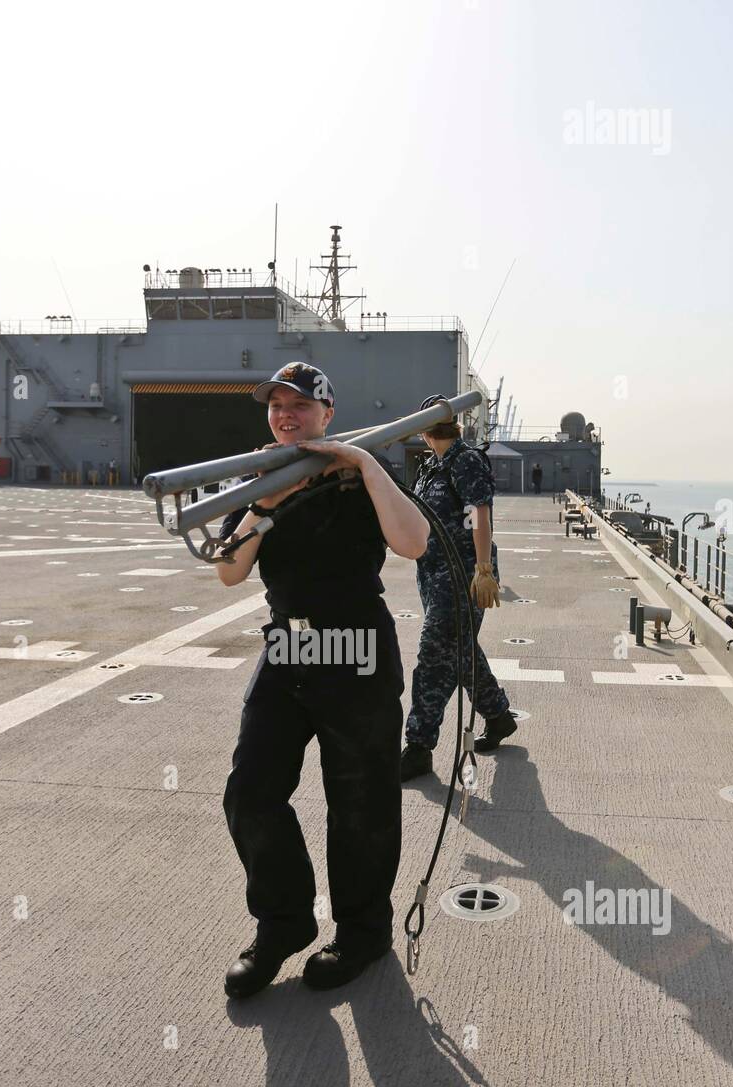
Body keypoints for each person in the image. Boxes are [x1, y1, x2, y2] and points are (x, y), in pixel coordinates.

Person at [215, 362, 429, 999]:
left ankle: (363, 932)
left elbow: (413, 543)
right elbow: (228, 573)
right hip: (289, 645)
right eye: (276, 405)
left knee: (360, 804)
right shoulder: (261, 479)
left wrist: (364, 466)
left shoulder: (362, 474)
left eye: (300, 406)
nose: (286, 415)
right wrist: (264, 505)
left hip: (357, 647)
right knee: (250, 791)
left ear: (327, 414)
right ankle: (282, 923)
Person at [400, 395, 518, 782]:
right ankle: (498, 715)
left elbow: (480, 513)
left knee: (434, 655)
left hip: (463, 574)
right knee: (460, 649)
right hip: (433, 574)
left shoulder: (464, 459)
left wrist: (484, 569)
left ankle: (418, 746)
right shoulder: (431, 465)